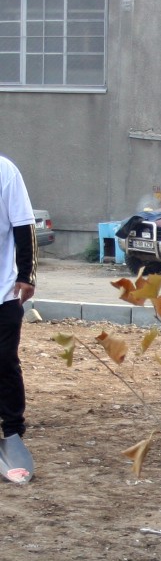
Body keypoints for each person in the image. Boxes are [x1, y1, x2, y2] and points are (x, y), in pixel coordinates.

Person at [0, 155, 37, 444]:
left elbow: (24, 225)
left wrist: (26, 274)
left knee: (4, 361)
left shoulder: (5, 171)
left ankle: (12, 430)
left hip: (3, 292)